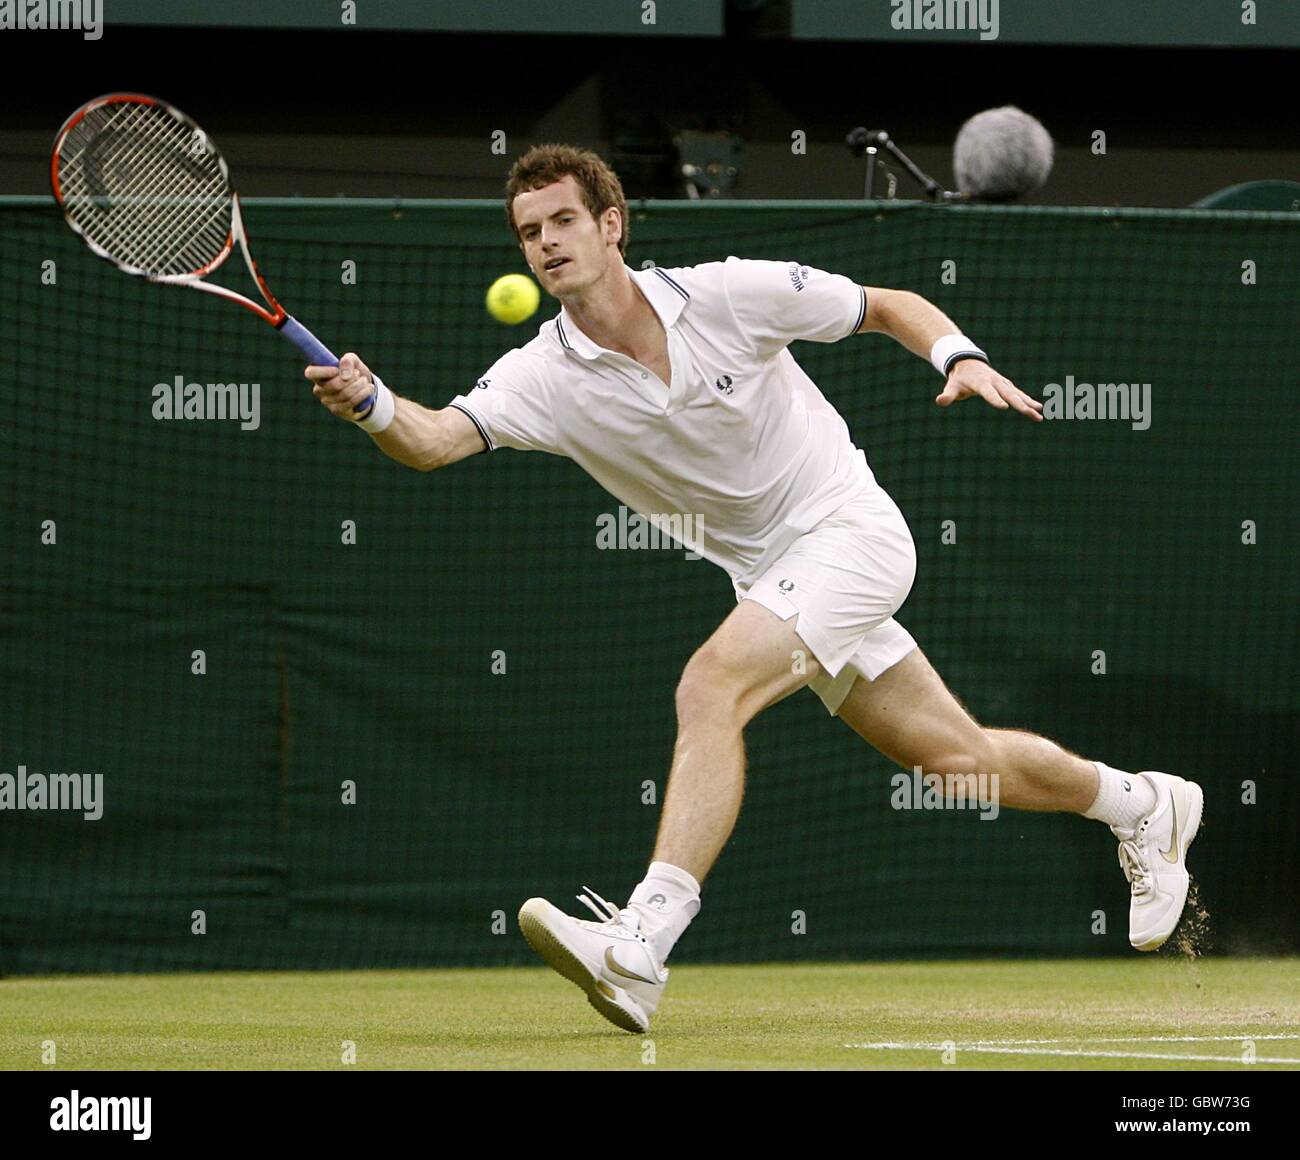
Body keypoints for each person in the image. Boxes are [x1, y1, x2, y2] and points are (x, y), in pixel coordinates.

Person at [306, 144, 1202, 1034]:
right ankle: (1141, 804)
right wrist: (372, 402)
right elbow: (432, 441)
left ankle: (642, 943)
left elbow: (885, 306)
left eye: (564, 220)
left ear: (611, 225)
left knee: (711, 684)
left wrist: (956, 357)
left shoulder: (728, 293)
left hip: (852, 534)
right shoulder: (540, 376)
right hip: (774, 578)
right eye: (529, 231)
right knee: (956, 763)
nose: (545, 243)